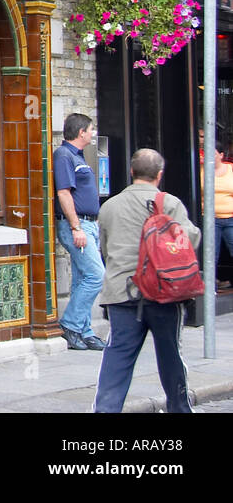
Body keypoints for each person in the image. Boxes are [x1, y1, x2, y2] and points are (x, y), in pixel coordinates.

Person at [92, 148, 199, 413]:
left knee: (117, 359)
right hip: (164, 293)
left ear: (132, 171)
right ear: (159, 175)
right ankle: (179, 409)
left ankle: (106, 410)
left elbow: (105, 249)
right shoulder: (170, 203)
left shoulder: (110, 206)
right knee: (171, 357)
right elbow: (190, 241)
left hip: (121, 293)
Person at [53, 113, 106, 351]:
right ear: (81, 132)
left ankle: (84, 332)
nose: (93, 134)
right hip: (77, 225)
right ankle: (71, 324)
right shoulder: (64, 155)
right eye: (91, 130)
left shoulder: (77, 155)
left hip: (89, 225)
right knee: (96, 275)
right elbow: (63, 193)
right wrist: (76, 227)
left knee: (83, 279)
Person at [201, 130, 233, 287]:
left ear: (221, 155)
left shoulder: (231, 170)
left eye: (213, 153)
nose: (209, 156)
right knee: (211, 253)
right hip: (209, 218)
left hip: (231, 217)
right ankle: (210, 286)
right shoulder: (201, 171)